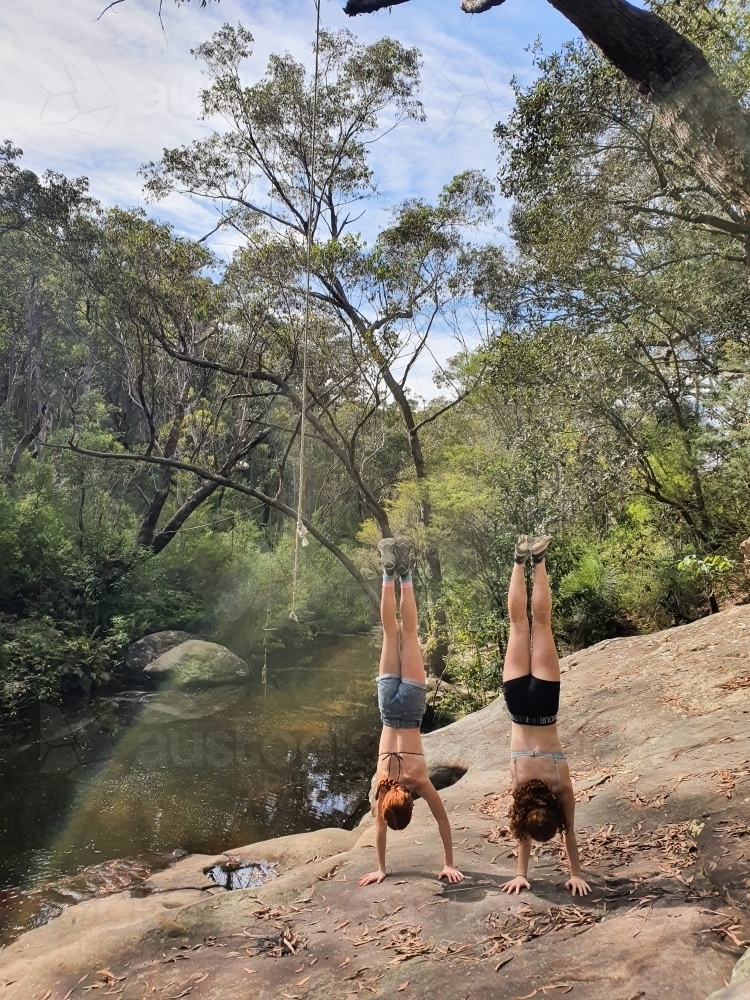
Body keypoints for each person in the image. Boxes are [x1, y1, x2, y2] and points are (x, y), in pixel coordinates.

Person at [358, 537, 465, 887]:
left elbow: (443, 822)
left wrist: (449, 863)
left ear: (409, 803)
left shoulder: (420, 781)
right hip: (389, 707)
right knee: (393, 632)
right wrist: (381, 867)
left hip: (412, 706)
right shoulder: (382, 786)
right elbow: (380, 832)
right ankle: (389, 572)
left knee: (409, 632)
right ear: (390, 802)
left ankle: (403, 572)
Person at [500, 534, 590, 897]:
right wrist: (521, 872)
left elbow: (569, 829)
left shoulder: (560, 783)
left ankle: (537, 559)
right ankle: (519, 560)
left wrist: (576, 871)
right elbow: (524, 827)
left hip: (546, 707)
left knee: (541, 623)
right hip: (519, 706)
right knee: (518, 624)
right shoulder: (520, 784)